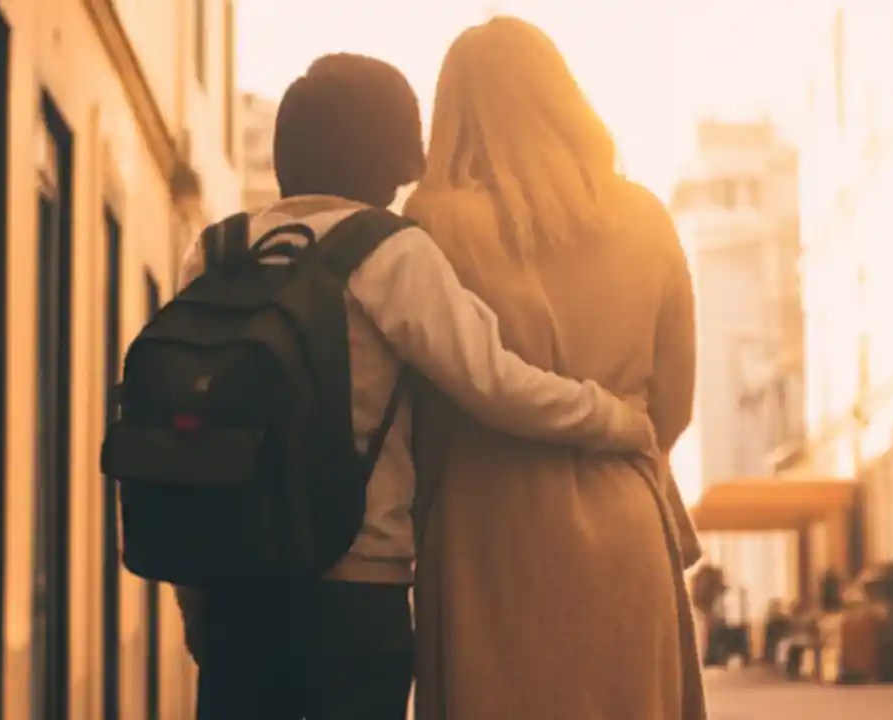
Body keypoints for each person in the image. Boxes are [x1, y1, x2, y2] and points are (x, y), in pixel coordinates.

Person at [175, 53, 657, 720]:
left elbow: (186, 420)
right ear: (385, 154)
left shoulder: (217, 250)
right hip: (355, 591)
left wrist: (195, 598)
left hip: (234, 586)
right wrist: (610, 417)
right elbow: (493, 383)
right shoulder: (391, 252)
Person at [404, 17, 707, 720]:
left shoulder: (432, 221)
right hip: (624, 513)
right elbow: (677, 403)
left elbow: (419, 407)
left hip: (488, 529)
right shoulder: (645, 216)